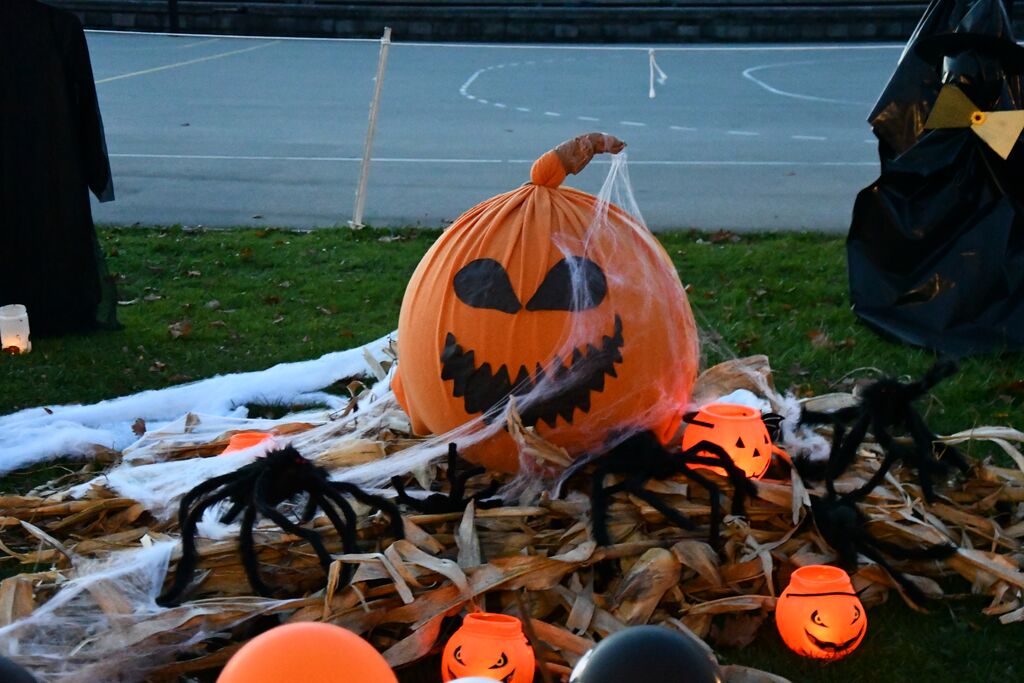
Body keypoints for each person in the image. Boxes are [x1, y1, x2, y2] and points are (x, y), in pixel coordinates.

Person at [1, 0, 119, 335]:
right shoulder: (58, 28)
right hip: (49, 157)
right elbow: (84, 109)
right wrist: (92, 168)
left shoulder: (60, 28)